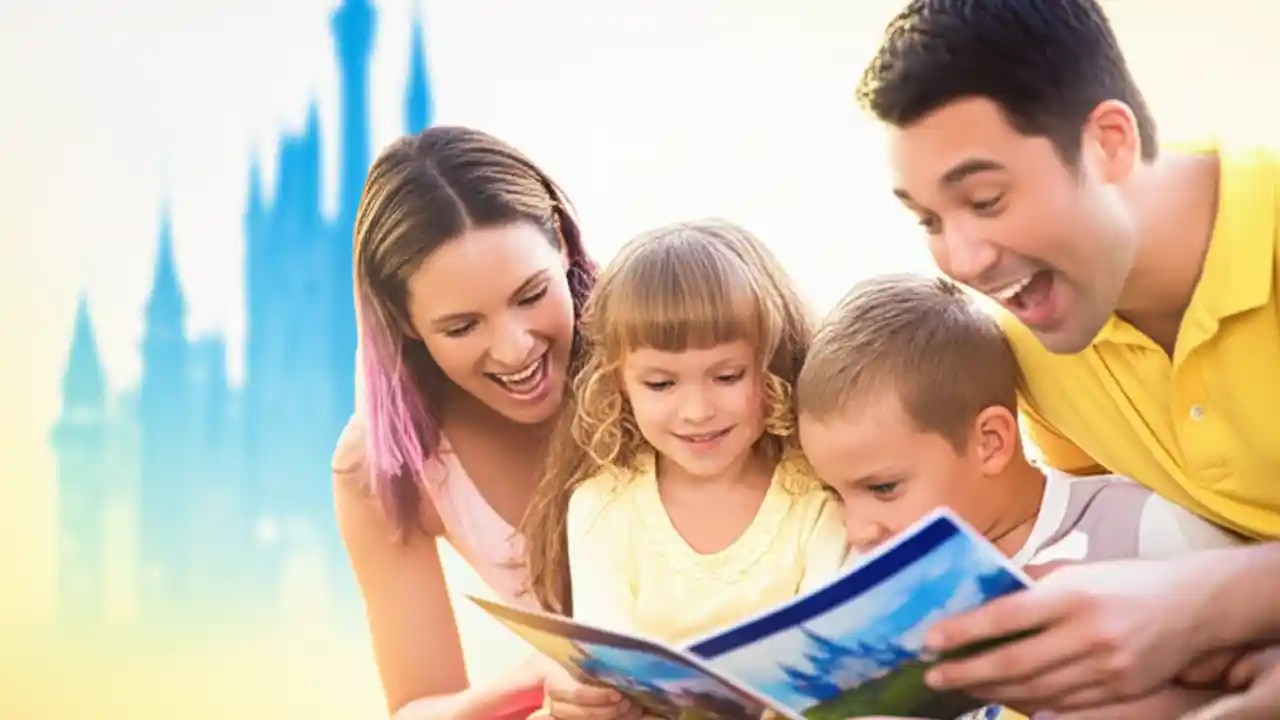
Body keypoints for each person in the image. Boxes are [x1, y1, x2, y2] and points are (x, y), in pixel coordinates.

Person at [854, 0, 1280, 713]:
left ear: (1109, 143)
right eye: (927, 219)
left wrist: (1208, 603)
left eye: (985, 199)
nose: (964, 259)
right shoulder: (1036, 341)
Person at [793, 273, 1243, 719]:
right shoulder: (869, 587)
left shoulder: (1145, 531)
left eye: (883, 488)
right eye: (838, 493)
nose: (858, 529)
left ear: (990, 442)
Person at [521, 219, 850, 719]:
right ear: (619, 385)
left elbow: (826, 668)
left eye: (727, 376)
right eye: (660, 384)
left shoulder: (817, 495)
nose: (697, 410)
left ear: (773, 363)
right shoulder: (601, 505)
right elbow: (609, 673)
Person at [331, 125, 598, 719]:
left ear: (560, 243)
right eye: (462, 327)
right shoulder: (383, 466)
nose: (513, 349)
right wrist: (541, 681)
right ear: (403, 320)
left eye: (531, 295)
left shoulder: (658, 361)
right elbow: (418, 708)